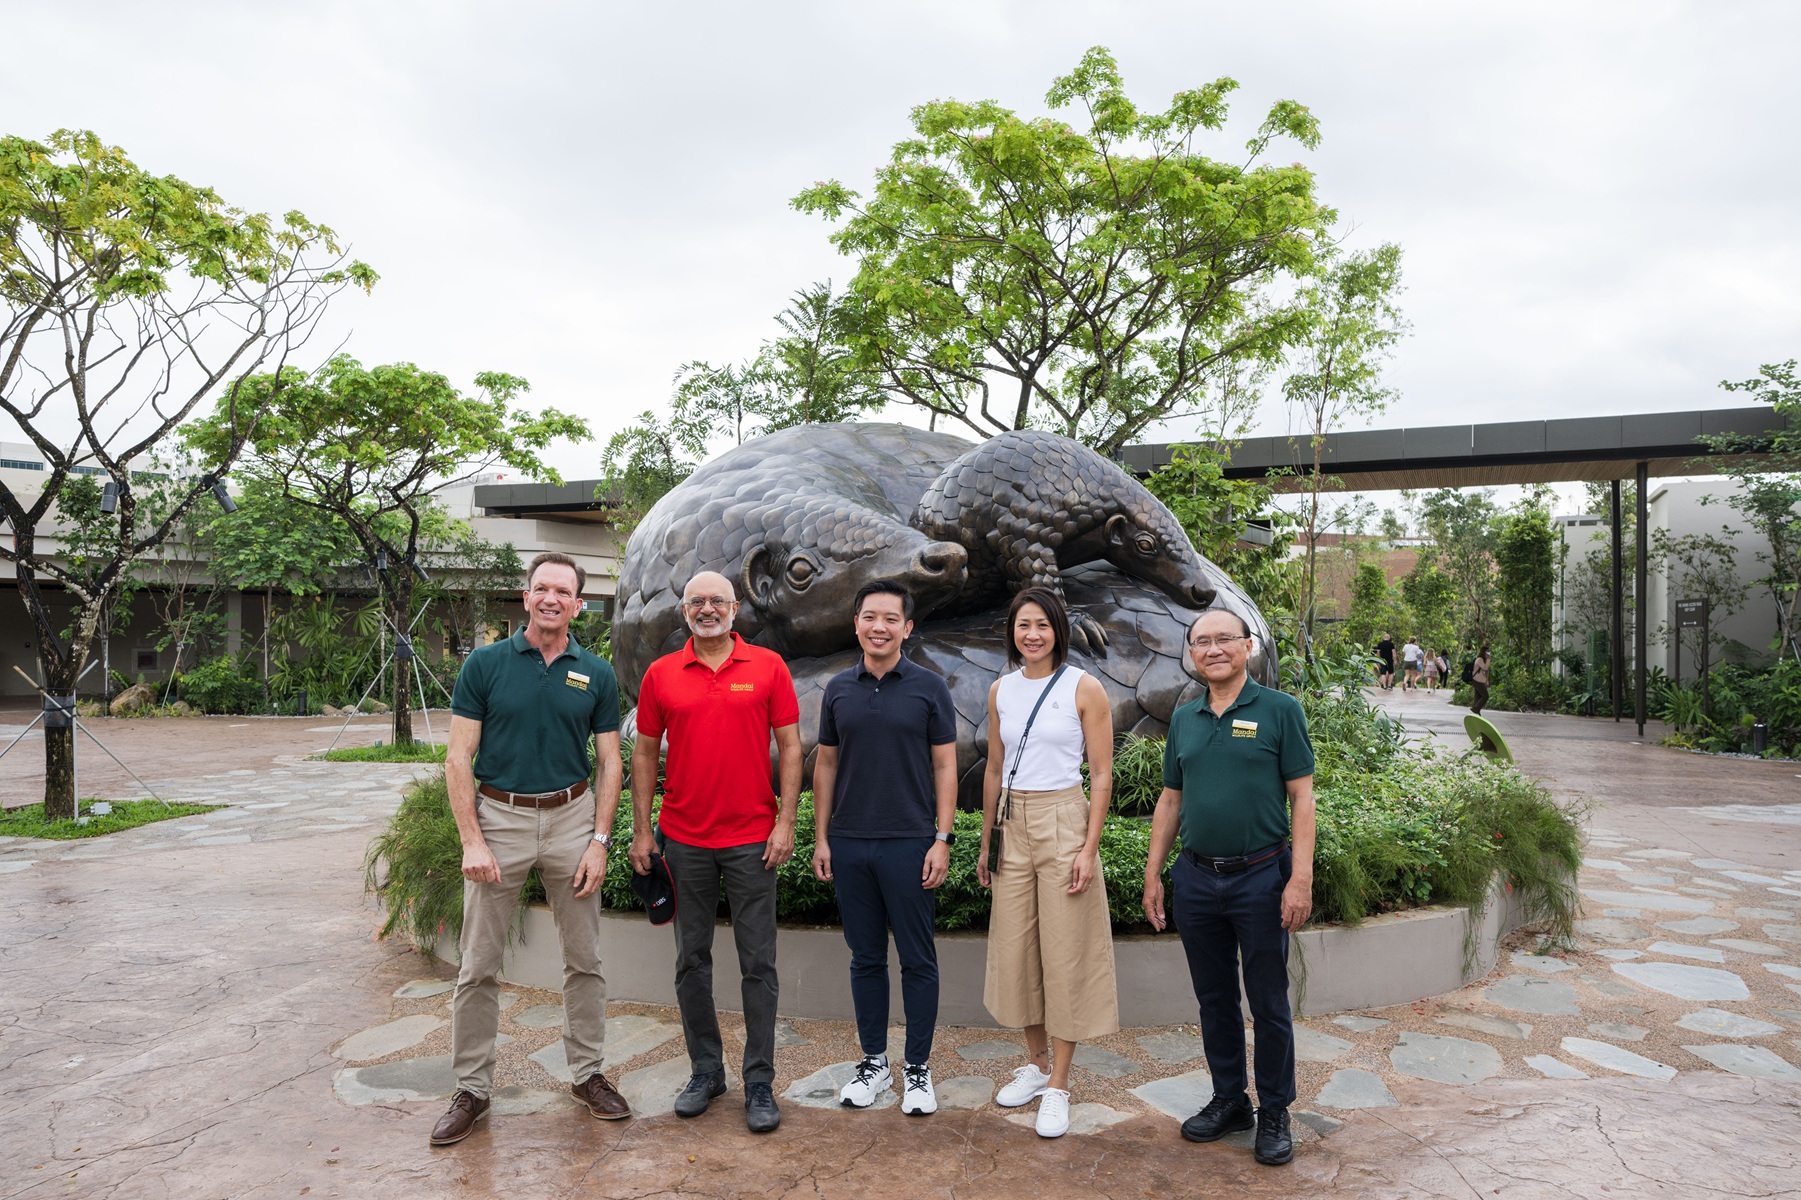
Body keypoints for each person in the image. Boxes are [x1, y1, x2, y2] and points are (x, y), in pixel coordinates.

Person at [433, 552, 629, 1146]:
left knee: (585, 959)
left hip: (571, 819)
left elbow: (611, 760)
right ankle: (472, 1088)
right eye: (541, 588)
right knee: (478, 965)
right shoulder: (486, 666)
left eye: (562, 591)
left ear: (578, 604)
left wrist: (599, 841)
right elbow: (457, 757)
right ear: (526, 598)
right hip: (500, 820)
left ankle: (588, 1075)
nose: (551, 599)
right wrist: (472, 838)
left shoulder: (595, 673)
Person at [1141, 608, 1317, 1168]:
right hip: (1196, 878)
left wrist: (1300, 878)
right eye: (1202, 642)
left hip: (1262, 877)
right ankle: (1229, 1100)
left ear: (1247, 647)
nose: (1213, 649)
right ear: (1192, 654)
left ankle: (1275, 1110)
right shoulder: (1186, 717)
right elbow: (1170, 800)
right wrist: (1154, 872)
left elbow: (1303, 797)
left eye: (1224, 640)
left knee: (1267, 1001)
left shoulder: (1279, 710)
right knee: (1214, 998)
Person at [629, 571, 802, 1134]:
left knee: (760, 964)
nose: (708, 609)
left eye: (717, 601)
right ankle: (707, 1071)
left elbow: (792, 748)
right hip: (683, 840)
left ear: (735, 608)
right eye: (697, 602)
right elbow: (644, 756)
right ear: (685, 612)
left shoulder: (769, 668)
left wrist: (786, 822)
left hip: (753, 840)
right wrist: (642, 832)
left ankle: (759, 1080)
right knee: (690, 962)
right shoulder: (661, 675)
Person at [810, 580, 960, 1116]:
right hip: (850, 842)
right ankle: (874, 1062)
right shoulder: (838, 689)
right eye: (870, 617)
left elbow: (946, 765)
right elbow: (825, 764)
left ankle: (917, 1069)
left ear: (907, 627)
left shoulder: (929, 688)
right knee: (865, 958)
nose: (879, 627)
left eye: (891, 618)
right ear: (856, 624)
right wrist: (822, 837)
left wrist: (942, 838)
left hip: (911, 842)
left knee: (918, 959)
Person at [977, 587, 1119, 1138]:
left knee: (1065, 951)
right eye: (1022, 625)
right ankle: (1036, 1064)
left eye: (1041, 624)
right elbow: (993, 767)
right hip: (1012, 824)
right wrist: (988, 841)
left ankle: (1059, 1083)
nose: (1031, 634)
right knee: (1018, 950)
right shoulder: (1001, 690)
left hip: (1064, 817)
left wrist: (1089, 847)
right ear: (1011, 631)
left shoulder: (1084, 688)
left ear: (1058, 628)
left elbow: (1102, 774)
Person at [1471, 645, 1492, 715]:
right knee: (1485, 696)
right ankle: (1476, 709)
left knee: (1478, 697)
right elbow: (1485, 668)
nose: (1488, 653)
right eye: (1487, 652)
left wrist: (1487, 681)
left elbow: (1486, 672)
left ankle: (1476, 711)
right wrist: (1488, 659)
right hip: (1477, 681)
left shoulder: (1484, 660)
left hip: (1481, 681)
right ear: (1484, 652)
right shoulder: (1479, 659)